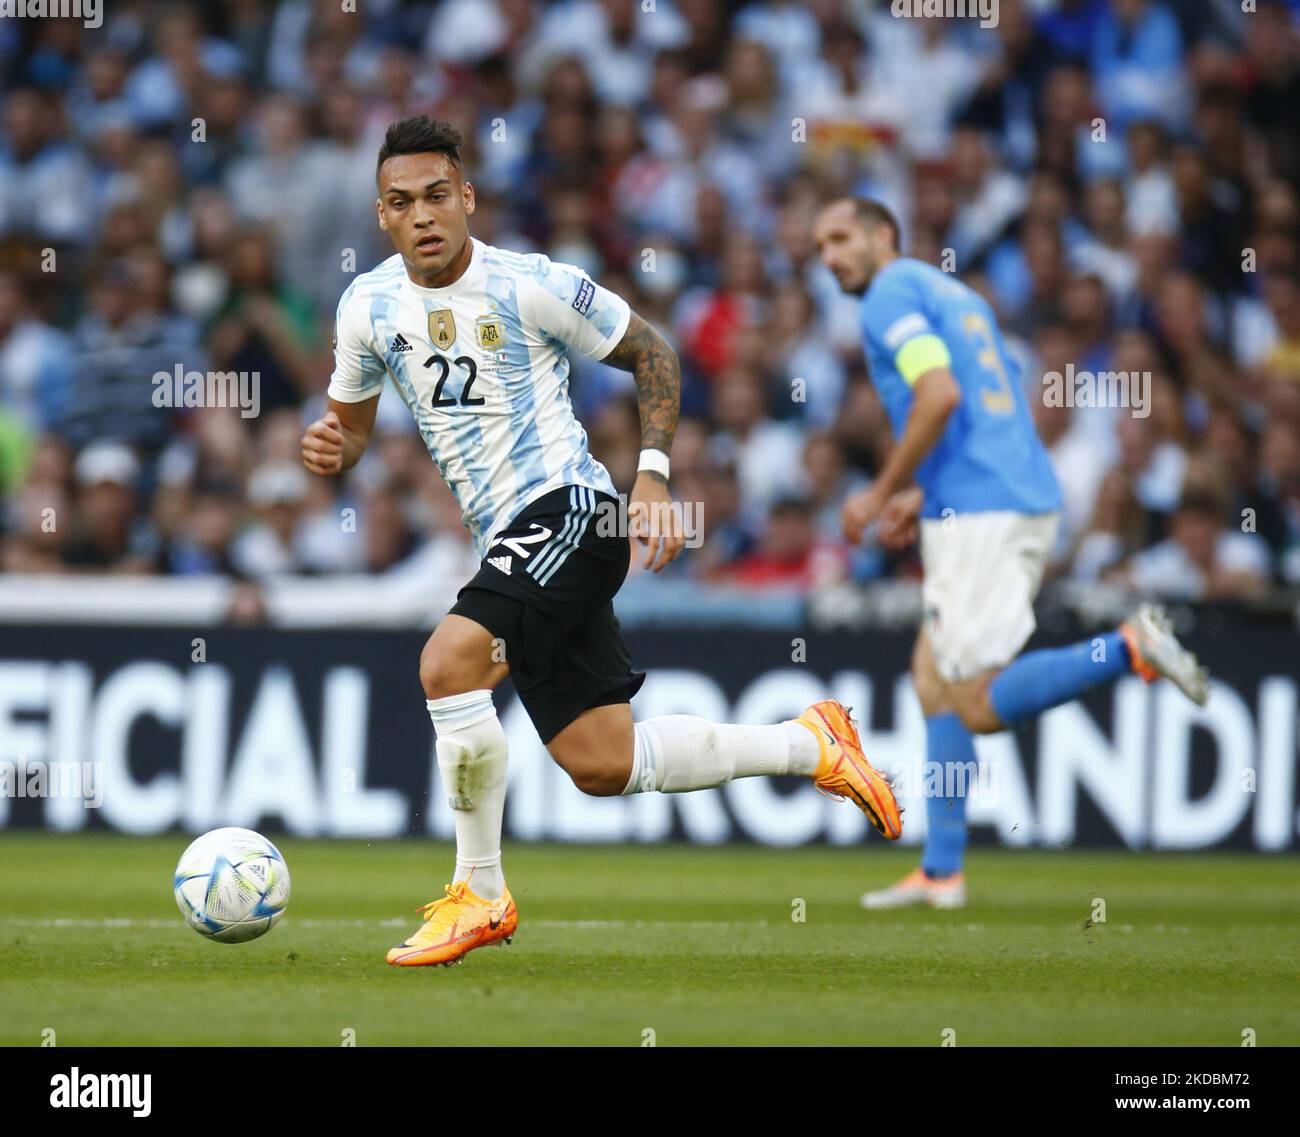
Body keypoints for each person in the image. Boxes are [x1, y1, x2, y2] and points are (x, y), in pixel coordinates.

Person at [300, 119, 903, 968]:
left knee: (448, 663)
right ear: (382, 216)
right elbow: (353, 428)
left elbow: (654, 353)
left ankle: (481, 890)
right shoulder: (366, 306)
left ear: (466, 197)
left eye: (438, 195)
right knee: (602, 761)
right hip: (508, 541)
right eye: (402, 203)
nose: (424, 215)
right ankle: (813, 742)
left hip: (576, 514)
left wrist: (650, 477)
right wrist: (335, 447)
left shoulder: (530, 285)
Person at [813, 197, 1208, 910]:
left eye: (842, 238)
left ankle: (1128, 646)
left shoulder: (890, 295)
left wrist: (881, 490)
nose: (830, 255)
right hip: (997, 491)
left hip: (983, 509)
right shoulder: (958, 295)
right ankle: (942, 871)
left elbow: (937, 395)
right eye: (820, 247)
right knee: (932, 675)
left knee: (977, 701)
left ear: (884, 236)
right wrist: (920, 493)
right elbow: (983, 407)